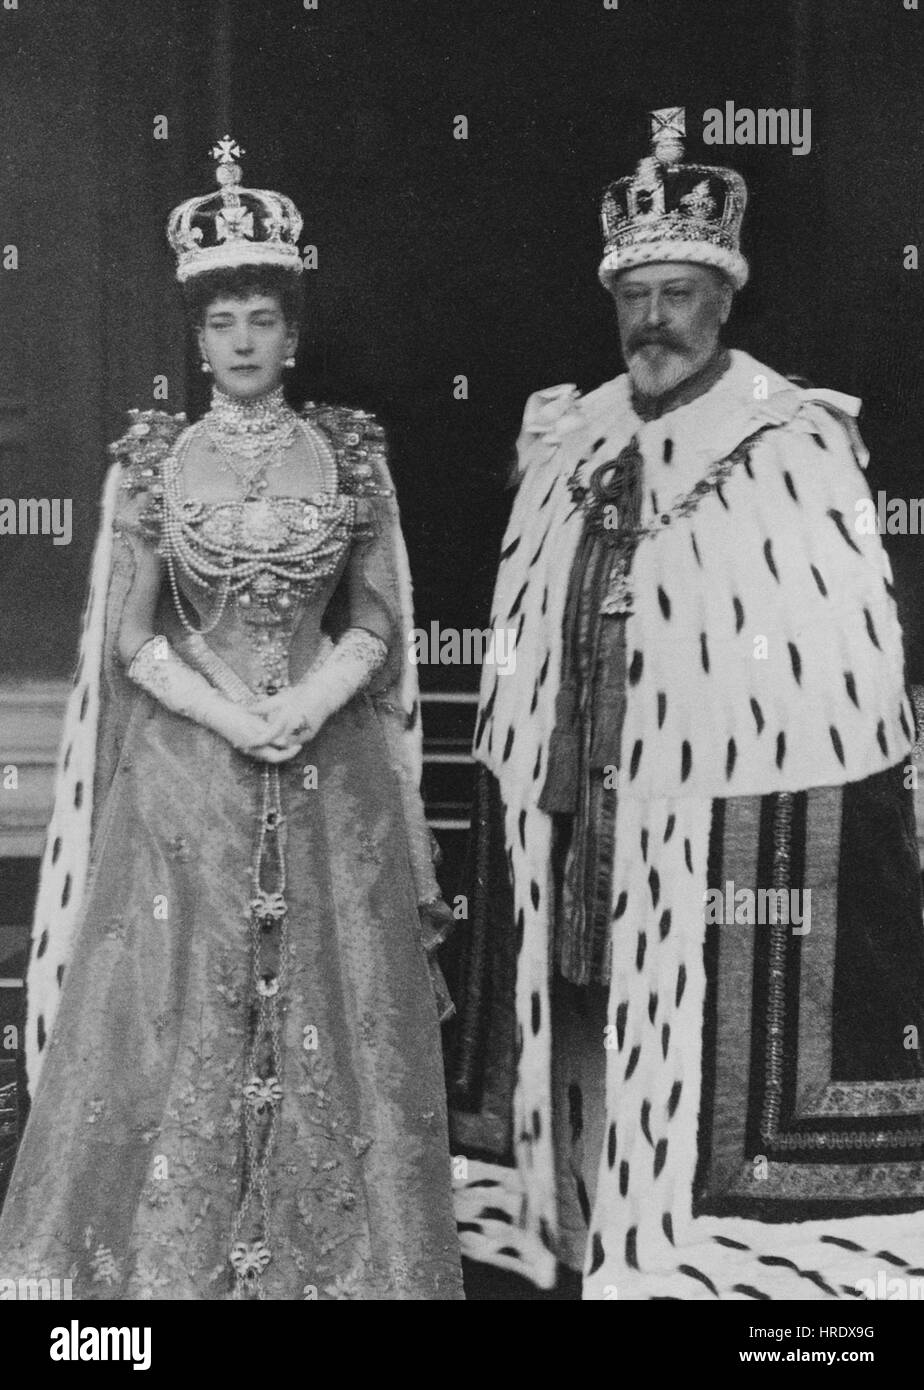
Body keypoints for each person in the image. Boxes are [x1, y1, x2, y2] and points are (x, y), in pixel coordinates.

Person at [450, 108, 924, 1300]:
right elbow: (518, 632)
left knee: (687, 1025)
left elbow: (845, 676)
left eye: (677, 294)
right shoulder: (572, 435)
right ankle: (583, 1241)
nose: (652, 321)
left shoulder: (795, 441)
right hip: (578, 801)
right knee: (577, 1006)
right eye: (636, 297)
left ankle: (691, 1262)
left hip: (721, 832)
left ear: (723, 299)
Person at [0, 137, 464, 1301]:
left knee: (336, 1003)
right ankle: (175, 1266)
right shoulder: (153, 463)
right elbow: (131, 637)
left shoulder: (350, 450)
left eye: (263, 317)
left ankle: (339, 1266)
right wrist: (230, 715)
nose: (245, 340)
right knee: (177, 1005)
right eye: (223, 322)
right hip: (187, 776)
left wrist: (304, 704)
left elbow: (374, 623)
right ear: (198, 337)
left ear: (292, 332)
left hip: (330, 771)